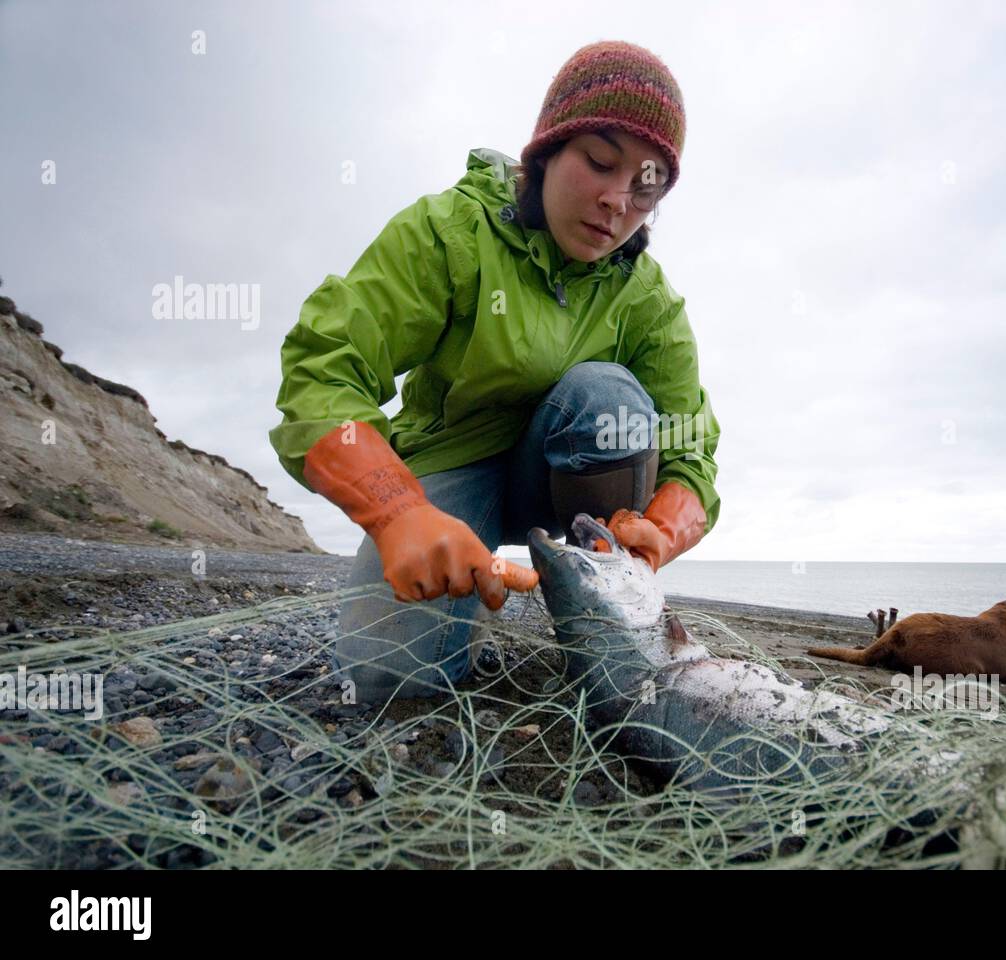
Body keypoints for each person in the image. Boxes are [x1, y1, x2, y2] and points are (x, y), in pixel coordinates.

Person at [269, 40, 721, 703]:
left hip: (574, 484)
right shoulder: (450, 232)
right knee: (386, 675)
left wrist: (657, 534)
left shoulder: (647, 298)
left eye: (646, 186)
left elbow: (690, 447)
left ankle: (596, 618)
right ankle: (463, 588)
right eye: (600, 162)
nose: (617, 201)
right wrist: (396, 513)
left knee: (605, 397)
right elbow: (324, 369)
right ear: (545, 152)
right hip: (451, 468)